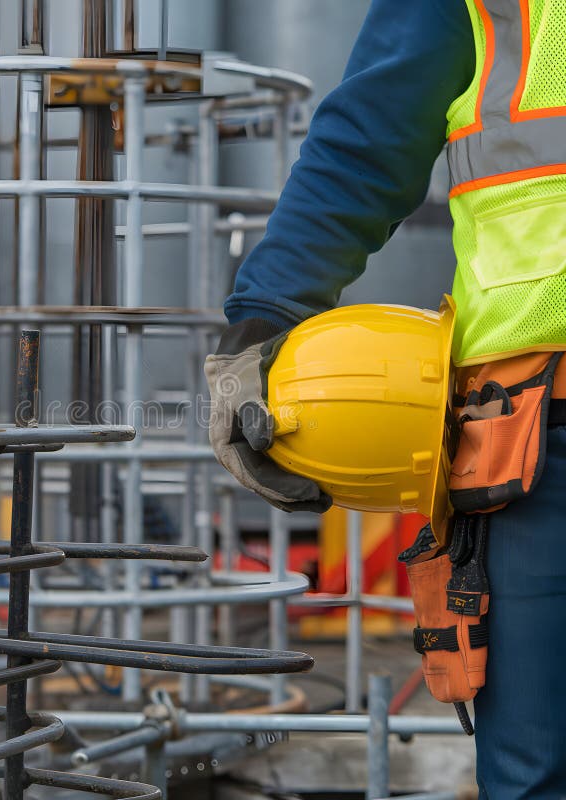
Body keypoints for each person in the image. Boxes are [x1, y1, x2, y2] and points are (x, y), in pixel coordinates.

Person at [204, 2, 566, 797]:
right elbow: (366, 147)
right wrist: (263, 323)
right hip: (537, 438)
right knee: (542, 772)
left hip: (537, 443)